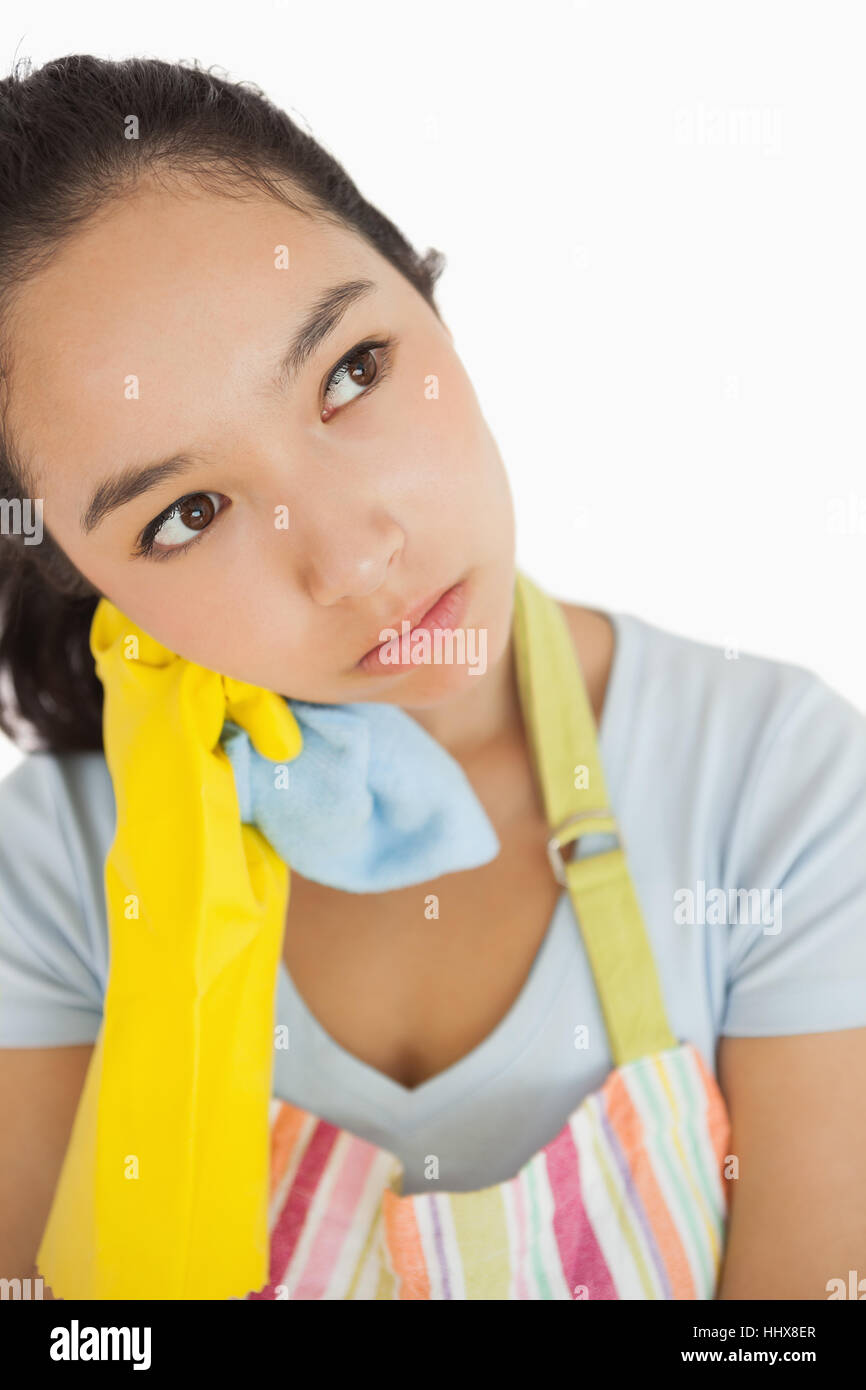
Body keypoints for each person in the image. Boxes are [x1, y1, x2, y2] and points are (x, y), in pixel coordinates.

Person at [0, 53, 864, 1301]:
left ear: (425, 293)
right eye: (187, 513)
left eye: (350, 371)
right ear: (81, 578)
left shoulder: (778, 783)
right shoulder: (54, 879)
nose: (355, 559)